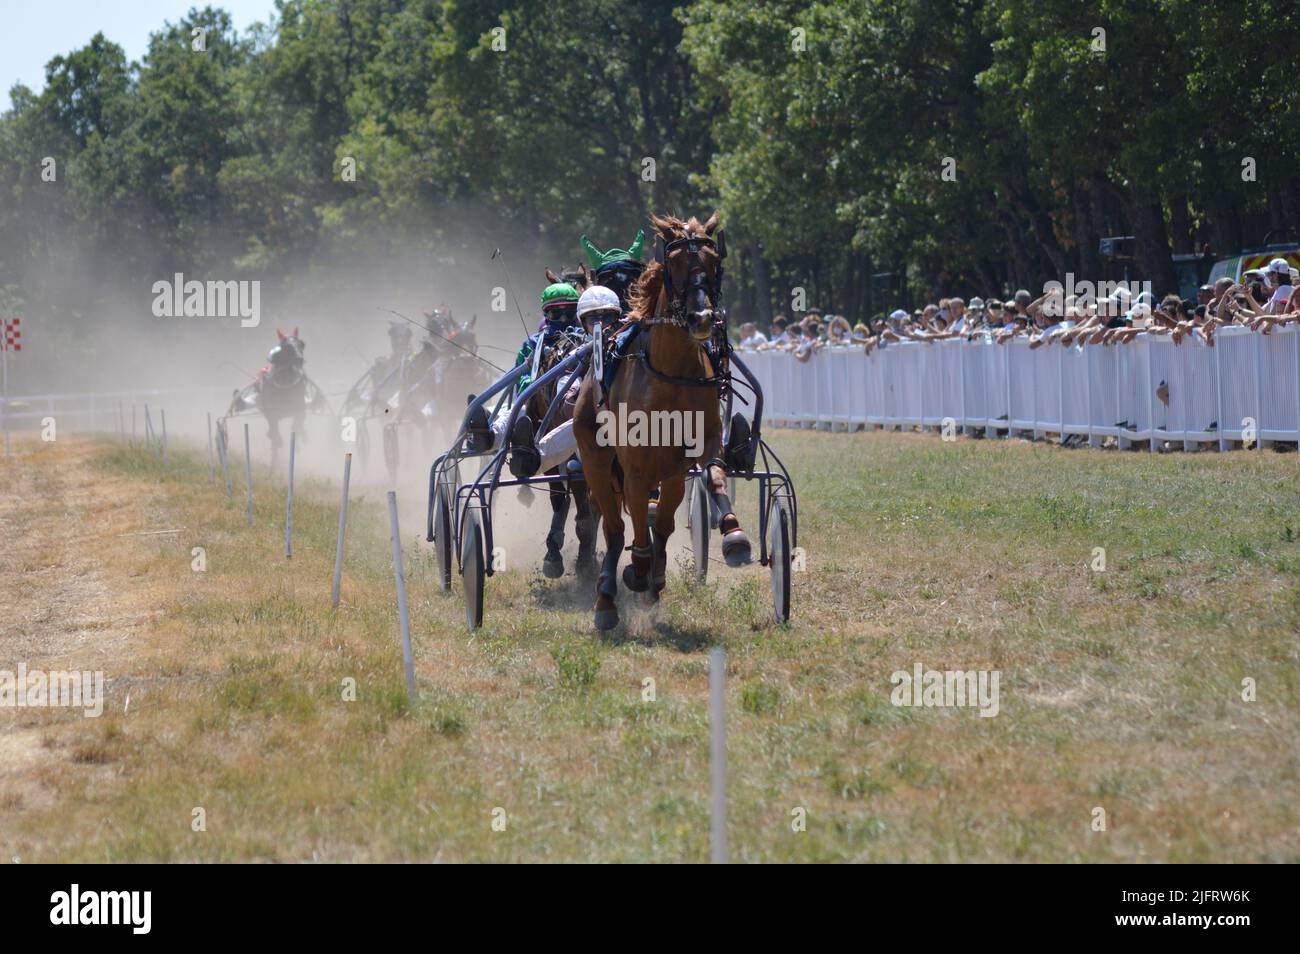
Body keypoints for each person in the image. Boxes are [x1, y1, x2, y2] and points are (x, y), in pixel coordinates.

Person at [465, 282, 582, 475]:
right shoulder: (534, 343)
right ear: (546, 315)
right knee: (518, 411)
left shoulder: (586, 338)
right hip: (538, 403)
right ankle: (489, 436)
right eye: (556, 314)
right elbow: (522, 380)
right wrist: (532, 385)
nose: (562, 319)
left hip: (572, 402)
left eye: (568, 314)